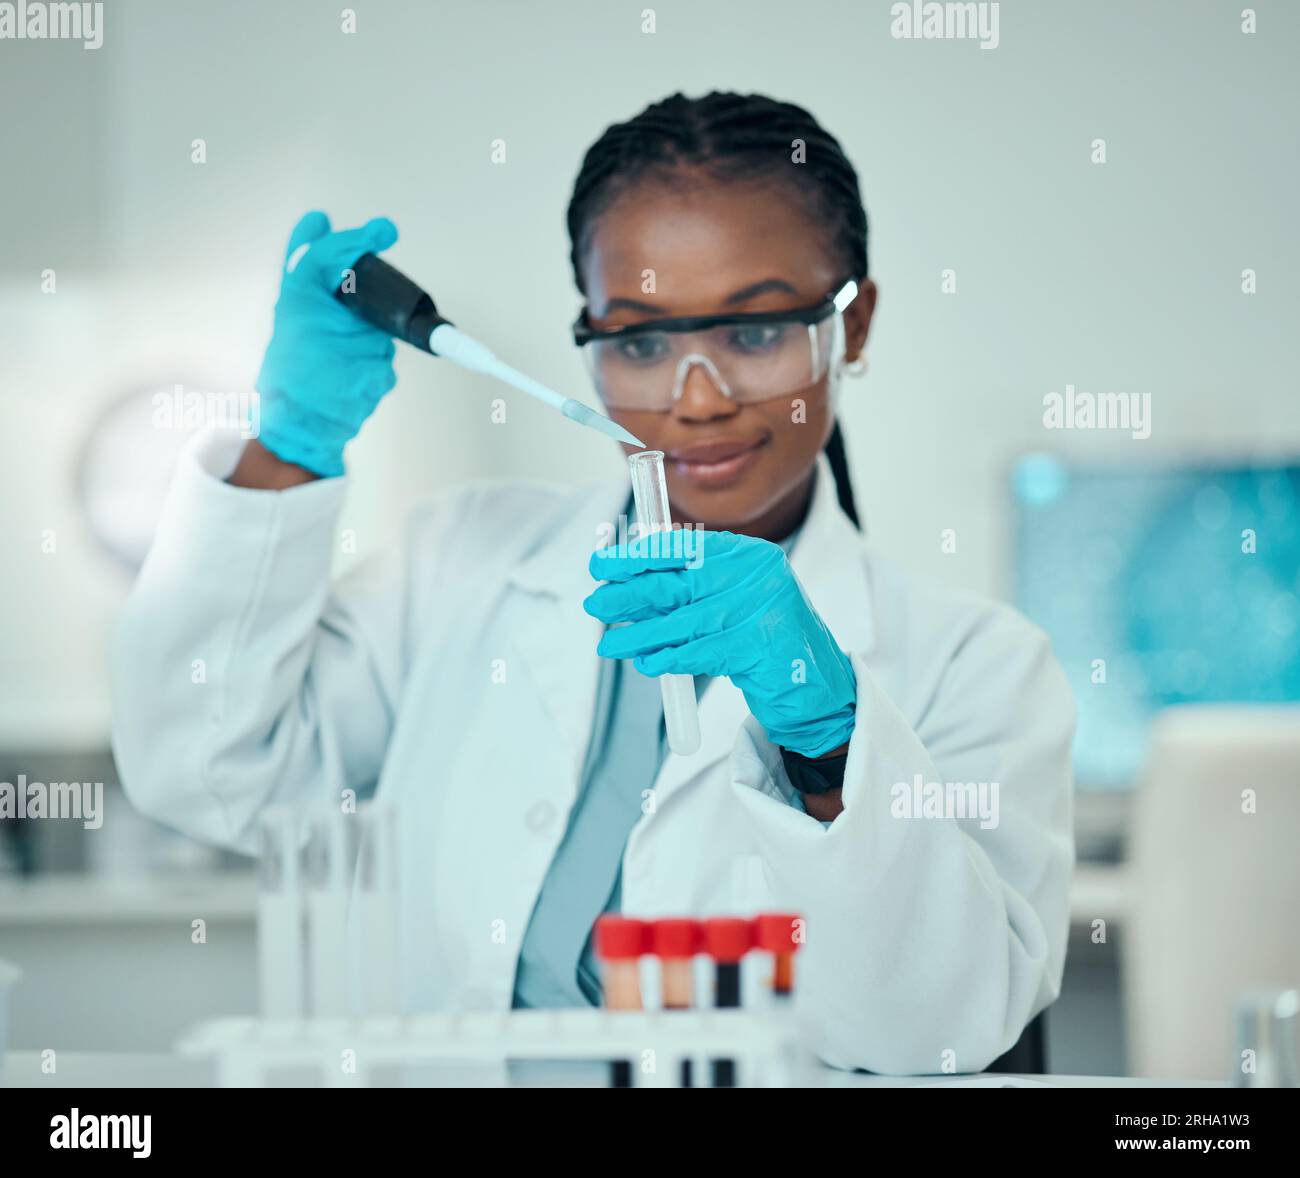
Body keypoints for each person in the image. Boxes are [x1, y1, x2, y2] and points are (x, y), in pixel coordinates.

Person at [112, 91, 1075, 1074]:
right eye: (642, 341)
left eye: (754, 332)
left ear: (852, 323)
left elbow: (940, 1025)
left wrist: (828, 743)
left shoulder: (977, 665)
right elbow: (209, 768)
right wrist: (291, 445)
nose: (696, 398)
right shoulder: (460, 564)